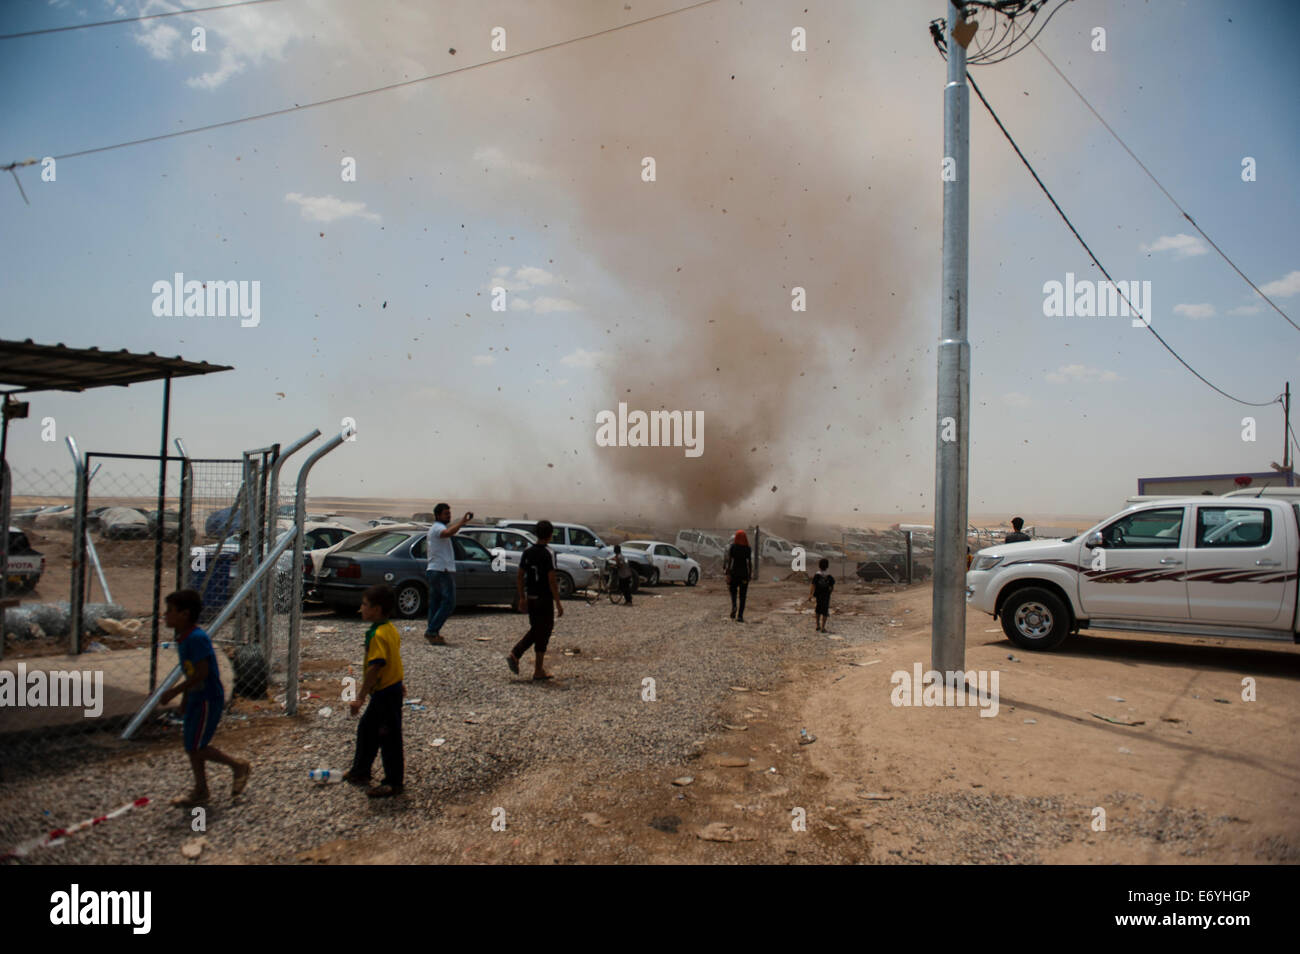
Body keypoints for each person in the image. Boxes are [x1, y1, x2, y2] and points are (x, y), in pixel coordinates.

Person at [159, 589, 250, 806]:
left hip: (208, 698)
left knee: (198, 746)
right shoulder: (184, 638)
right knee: (191, 745)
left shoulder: (196, 639)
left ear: (185, 614)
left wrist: (175, 692)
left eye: (170, 611)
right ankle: (201, 789)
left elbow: (202, 672)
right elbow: (192, 672)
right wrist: (184, 700)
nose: (165, 615)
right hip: (196, 698)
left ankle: (237, 765)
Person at [344, 584, 404, 797]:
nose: (361, 608)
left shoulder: (378, 635)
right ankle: (360, 770)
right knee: (368, 730)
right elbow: (394, 659)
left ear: (377, 609)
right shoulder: (389, 629)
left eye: (365, 605)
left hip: (385, 693)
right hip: (391, 689)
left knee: (388, 737)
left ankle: (394, 782)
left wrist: (360, 698)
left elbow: (375, 667)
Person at [507, 519, 564, 680]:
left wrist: (522, 598)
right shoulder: (549, 553)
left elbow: (520, 576)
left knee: (539, 630)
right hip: (544, 598)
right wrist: (558, 602)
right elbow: (552, 579)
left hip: (531, 597)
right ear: (550, 535)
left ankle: (538, 670)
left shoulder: (527, 552)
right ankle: (516, 653)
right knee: (542, 631)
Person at [424, 502, 473, 645]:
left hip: (435, 569)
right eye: (446, 513)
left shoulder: (436, 528)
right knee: (449, 603)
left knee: (435, 603)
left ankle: (433, 632)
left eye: (449, 513)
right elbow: (448, 533)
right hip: (441, 570)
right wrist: (462, 522)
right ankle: (432, 631)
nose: (449, 516)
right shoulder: (438, 528)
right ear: (438, 515)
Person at [724, 529, 752, 622]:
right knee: (743, 596)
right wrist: (750, 574)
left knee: (733, 592)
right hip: (744, 574)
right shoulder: (748, 549)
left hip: (734, 573)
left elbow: (730, 561)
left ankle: (734, 606)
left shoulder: (733, 547)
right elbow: (749, 563)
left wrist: (728, 572)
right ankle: (740, 616)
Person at [807, 558, 835, 632]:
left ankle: (817, 625)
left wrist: (810, 594)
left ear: (819, 566)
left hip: (818, 595)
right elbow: (831, 587)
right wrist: (829, 593)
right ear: (827, 566)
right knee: (825, 611)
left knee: (818, 610)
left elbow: (813, 585)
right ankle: (823, 627)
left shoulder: (817, 575)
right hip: (826, 596)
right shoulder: (829, 577)